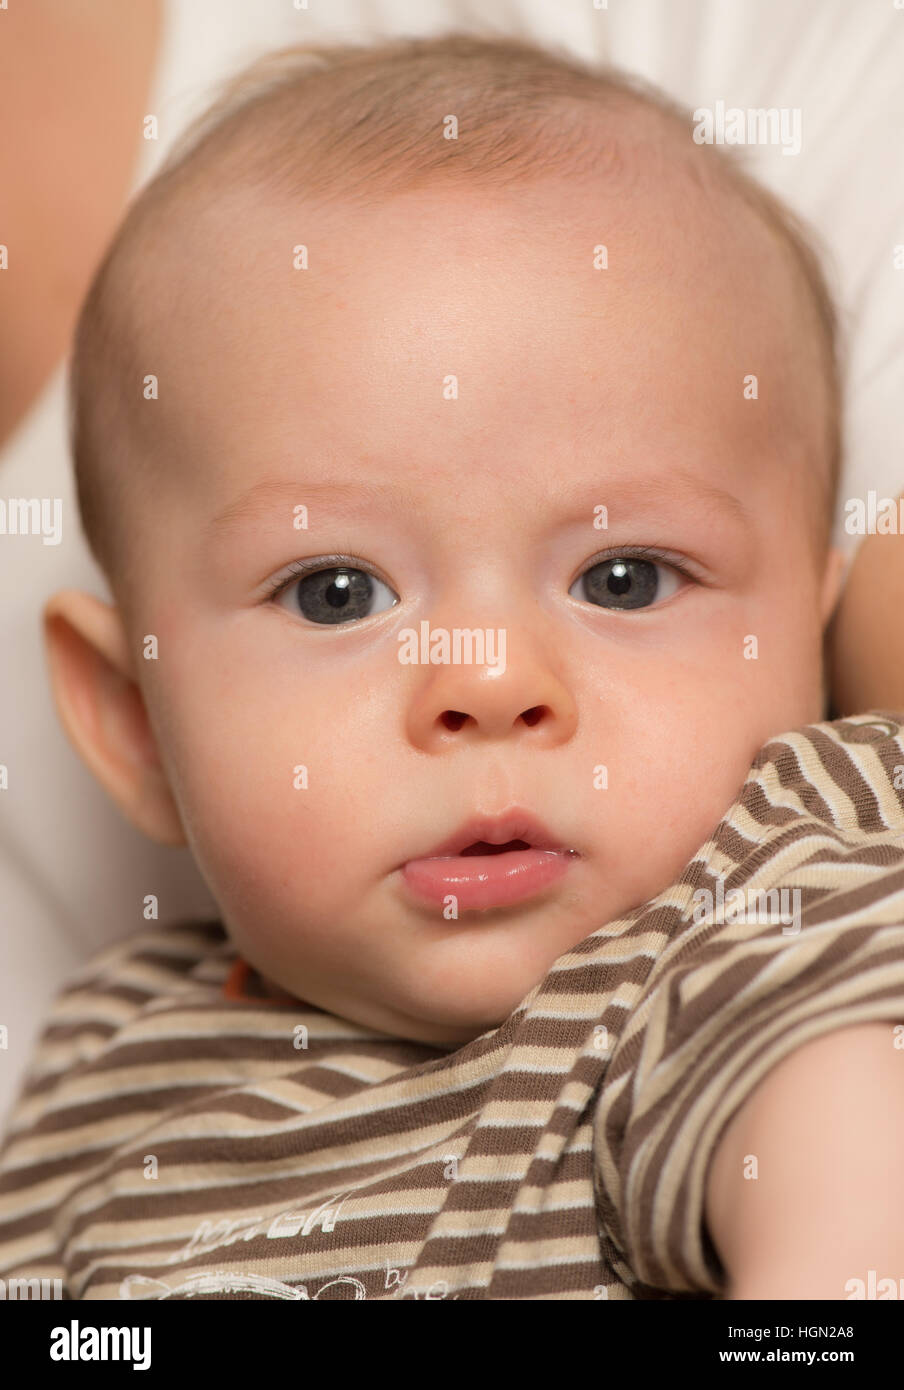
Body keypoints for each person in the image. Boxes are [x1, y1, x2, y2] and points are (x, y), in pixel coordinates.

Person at [1, 33, 902, 1301]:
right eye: (336, 592)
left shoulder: (753, 908)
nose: (485, 683)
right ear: (134, 721)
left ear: (806, 637)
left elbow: (849, 1205)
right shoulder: (104, 1062)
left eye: (624, 578)